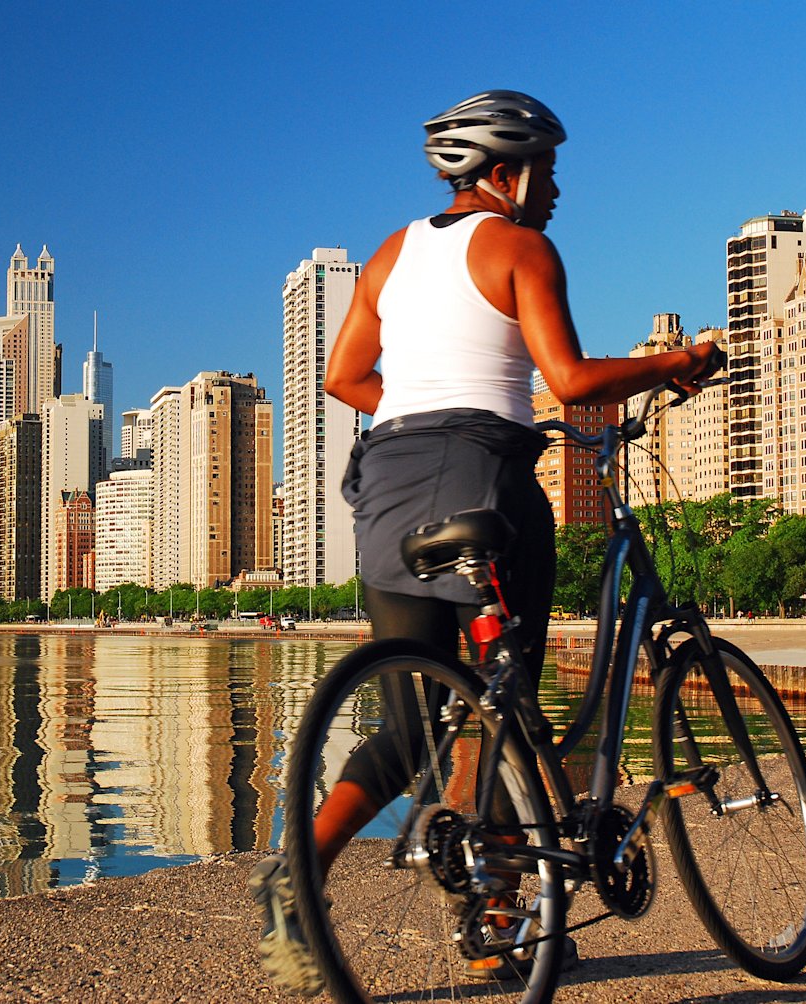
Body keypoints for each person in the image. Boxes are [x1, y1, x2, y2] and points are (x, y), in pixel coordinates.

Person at [247, 89, 719, 996]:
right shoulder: (521, 246)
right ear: (506, 172)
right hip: (484, 478)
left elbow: (344, 375)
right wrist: (676, 362)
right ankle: (498, 924)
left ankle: (293, 876)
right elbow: (572, 377)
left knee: (413, 718)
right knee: (505, 706)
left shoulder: (393, 251)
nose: (554, 191)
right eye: (547, 170)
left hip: (385, 485)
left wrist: (419, 408)